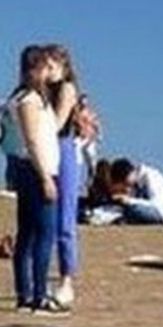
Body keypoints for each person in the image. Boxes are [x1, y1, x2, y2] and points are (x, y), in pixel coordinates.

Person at [7, 46, 67, 315]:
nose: (47, 73)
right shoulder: (27, 100)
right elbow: (32, 140)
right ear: (33, 69)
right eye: (44, 67)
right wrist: (45, 177)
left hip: (31, 168)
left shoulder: (32, 98)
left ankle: (26, 294)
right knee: (42, 233)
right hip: (36, 170)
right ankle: (37, 295)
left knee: (29, 233)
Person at [44, 44, 85, 307]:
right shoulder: (40, 90)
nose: (46, 72)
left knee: (64, 222)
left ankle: (67, 280)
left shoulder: (67, 89)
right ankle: (43, 280)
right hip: (45, 150)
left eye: (51, 66)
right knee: (45, 219)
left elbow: (58, 123)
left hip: (62, 148)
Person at [107, 157, 163, 227]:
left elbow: (155, 205)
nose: (127, 188)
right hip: (154, 212)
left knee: (132, 209)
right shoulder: (137, 182)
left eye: (125, 184)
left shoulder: (150, 177)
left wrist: (129, 200)